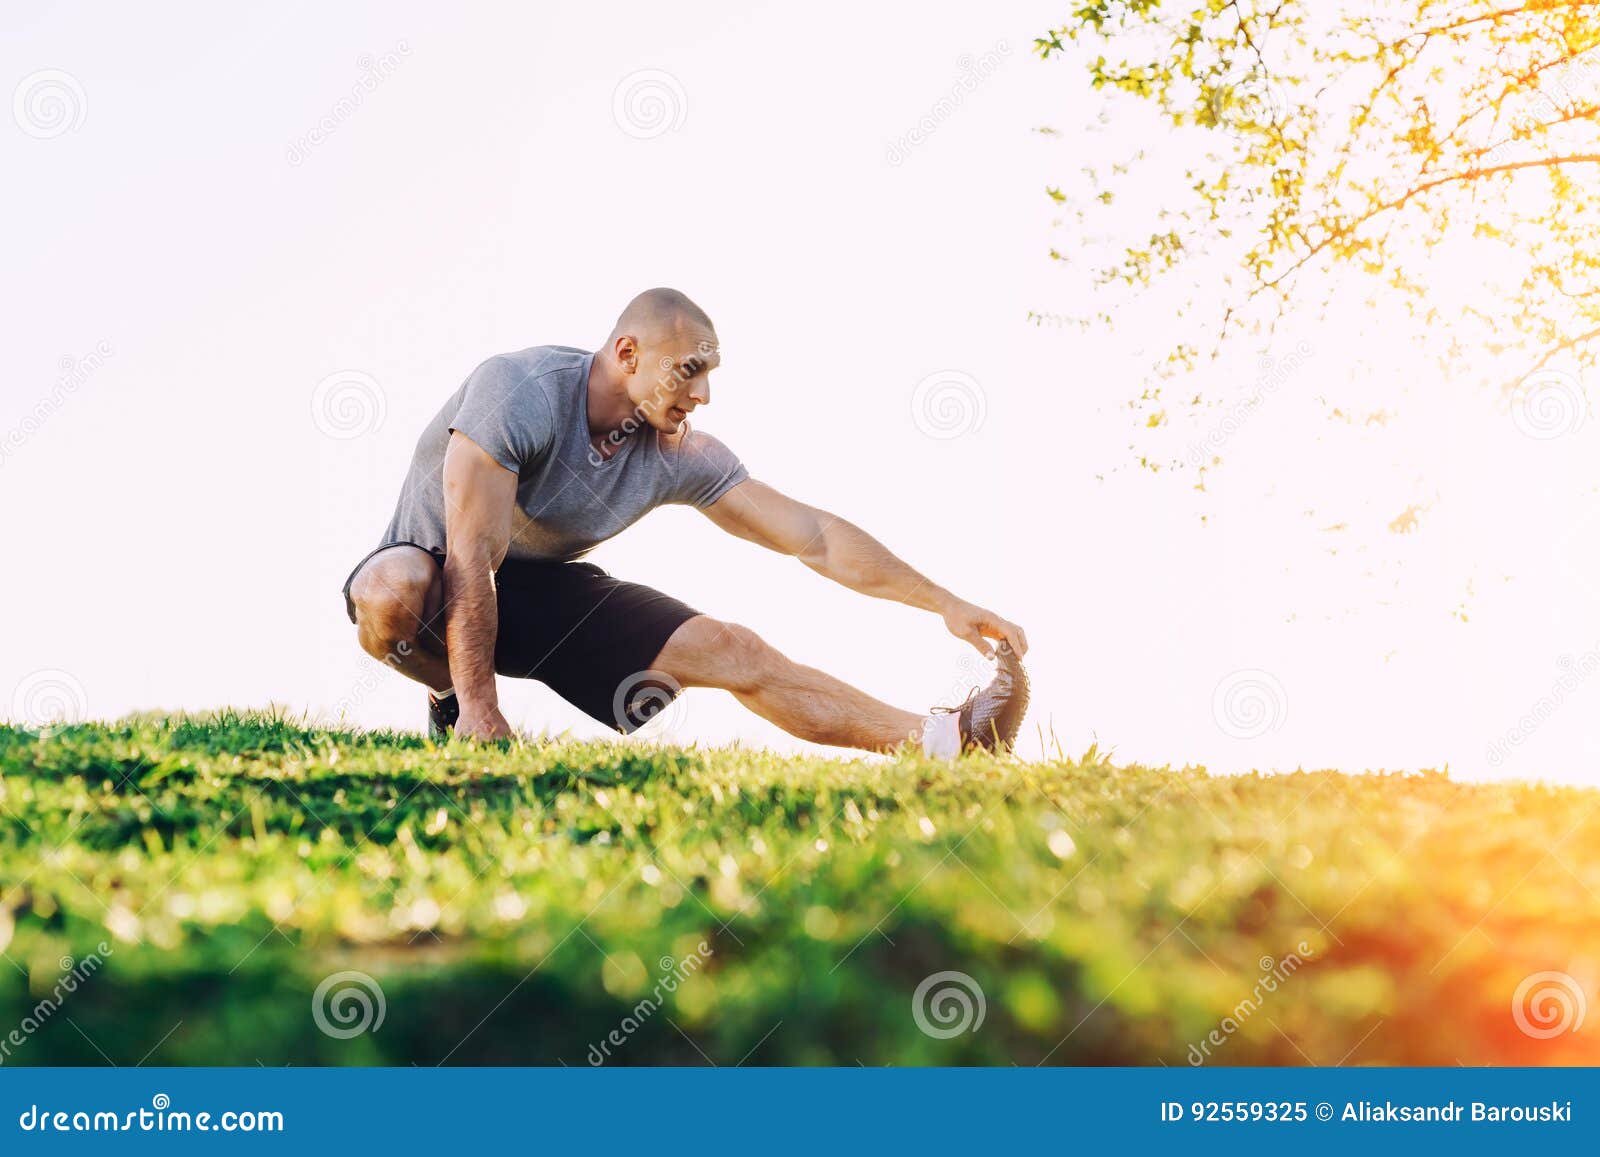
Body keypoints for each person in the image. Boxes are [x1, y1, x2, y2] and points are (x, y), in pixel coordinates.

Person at [341, 288, 1028, 755]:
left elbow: (813, 536)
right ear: (627, 354)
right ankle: (448, 700)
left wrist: (945, 601)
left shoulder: (676, 452)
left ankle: (942, 742)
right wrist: (479, 707)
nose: (703, 393)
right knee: (391, 591)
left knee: (735, 649)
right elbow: (471, 558)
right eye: (689, 370)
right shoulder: (518, 392)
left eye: (710, 373)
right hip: (442, 580)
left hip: (541, 591)